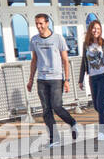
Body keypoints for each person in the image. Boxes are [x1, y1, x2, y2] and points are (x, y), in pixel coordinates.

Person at [26, 13, 78, 147]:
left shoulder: (58, 38)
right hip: (41, 79)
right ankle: (54, 138)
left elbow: (65, 60)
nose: (39, 26)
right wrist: (31, 79)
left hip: (56, 78)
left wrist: (66, 80)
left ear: (47, 23)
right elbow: (34, 60)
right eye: (37, 23)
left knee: (57, 106)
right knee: (46, 110)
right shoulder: (34, 40)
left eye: (41, 23)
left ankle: (72, 123)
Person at [78, 20, 104, 139]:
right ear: (90, 29)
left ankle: (101, 132)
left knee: (101, 105)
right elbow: (83, 62)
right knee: (96, 106)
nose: (96, 31)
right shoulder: (86, 45)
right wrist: (80, 79)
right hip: (93, 78)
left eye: (98, 29)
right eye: (94, 28)